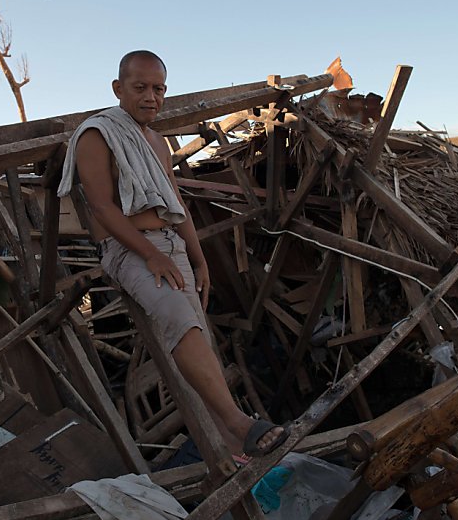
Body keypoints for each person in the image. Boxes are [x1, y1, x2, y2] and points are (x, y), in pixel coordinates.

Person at [57, 50, 287, 457]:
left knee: (197, 334)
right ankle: (240, 423)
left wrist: (199, 260)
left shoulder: (157, 143)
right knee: (178, 317)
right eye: (140, 87)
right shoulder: (98, 134)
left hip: (171, 244)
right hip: (128, 249)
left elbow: (175, 202)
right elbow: (103, 208)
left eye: (159, 89)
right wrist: (151, 254)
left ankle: (230, 442)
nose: (151, 97)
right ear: (118, 88)